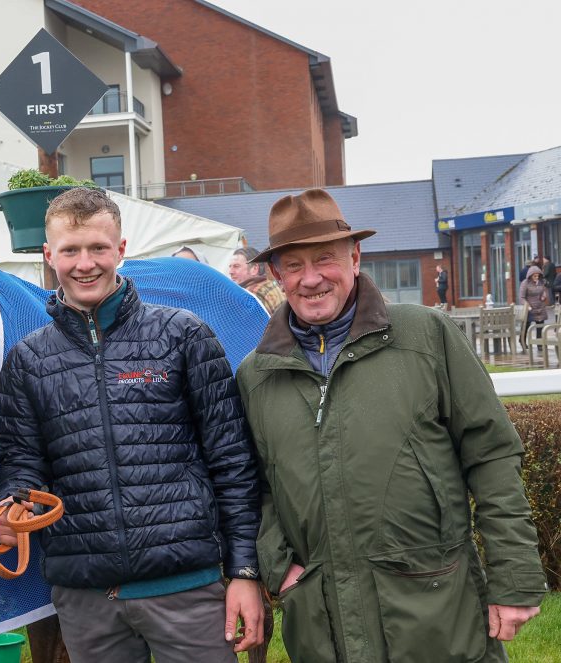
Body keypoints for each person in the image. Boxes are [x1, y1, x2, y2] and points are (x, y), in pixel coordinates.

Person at [236, 189, 546, 663]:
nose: (311, 278)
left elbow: (492, 456)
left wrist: (515, 577)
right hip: (323, 622)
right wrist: (281, 567)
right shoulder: (256, 375)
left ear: (355, 257)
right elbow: (251, 488)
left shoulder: (425, 337)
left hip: (438, 609)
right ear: (276, 274)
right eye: (294, 266)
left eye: (325, 259)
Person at [0, 187, 264, 663]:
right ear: (49, 254)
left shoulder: (183, 334)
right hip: (87, 600)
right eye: (71, 251)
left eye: (98, 248)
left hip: (187, 588)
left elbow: (233, 461)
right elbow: (21, 462)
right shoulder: (27, 360)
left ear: (121, 250)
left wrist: (244, 571)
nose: (85, 264)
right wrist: (12, 508)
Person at [229, 246, 286, 315]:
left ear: (254, 269)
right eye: (230, 266)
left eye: (236, 266)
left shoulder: (250, 296)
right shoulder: (270, 286)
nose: (230, 272)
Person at [519, 265, 550, 344]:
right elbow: (522, 297)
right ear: (530, 275)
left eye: (538, 276)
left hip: (540, 307)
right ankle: (522, 341)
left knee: (540, 326)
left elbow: (543, 291)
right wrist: (527, 306)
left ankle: (539, 343)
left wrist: (544, 295)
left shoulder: (541, 282)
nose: (536, 277)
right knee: (526, 325)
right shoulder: (525, 283)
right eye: (534, 276)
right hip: (530, 307)